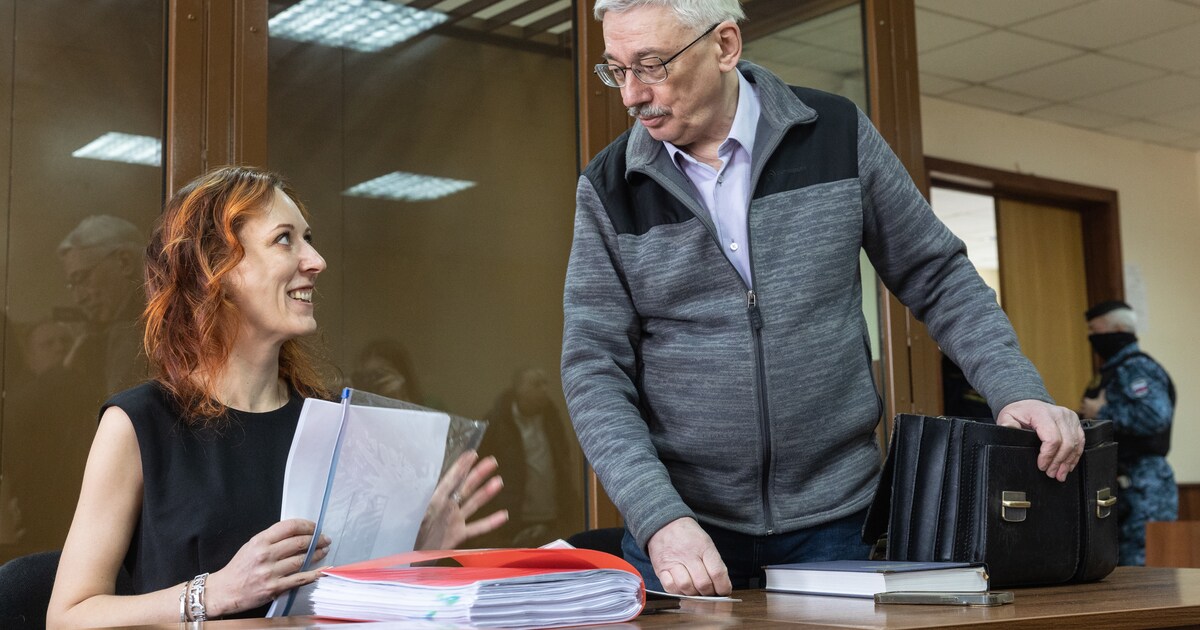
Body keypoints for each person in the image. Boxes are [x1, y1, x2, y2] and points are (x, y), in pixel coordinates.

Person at [561, 0, 1084, 596]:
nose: (631, 94)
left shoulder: (836, 132)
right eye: (616, 69)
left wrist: (1015, 388)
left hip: (840, 521)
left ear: (725, 45)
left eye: (650, 65)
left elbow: (937, 274)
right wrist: (658, 517)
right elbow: (593, 369)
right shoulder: (607, 188)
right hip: (684, 531)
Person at [47, 167, 508, 627]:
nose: (316, 260)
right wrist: (214, 592)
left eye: (307, 238)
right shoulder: (139, 422)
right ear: (215, 269)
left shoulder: (335, 424)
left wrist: (412, 549)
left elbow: (349, 607)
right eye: (285, 239)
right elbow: (68, 616)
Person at [1079, 300, 1176, 566]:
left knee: (1147, 571)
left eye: (1094, 329)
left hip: (1145, 483)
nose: (1091, 337)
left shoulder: (1136, 367)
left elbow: (1155, 416)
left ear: (1118, 329)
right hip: (1119, 479)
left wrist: (1102, 411)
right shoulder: (1111, 370)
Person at [477, 367, 580, 547]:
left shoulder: (552, 420)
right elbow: (482, 468)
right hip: (513, 519)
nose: (544, 389)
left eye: (545, 383)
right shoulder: (496, 422)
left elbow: (563, 461)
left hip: (552, 516)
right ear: (519, 388)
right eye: (536, 384)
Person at [57, 214, 148, 399]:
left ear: (125, 262)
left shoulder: (139, 331)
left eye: (81, 278)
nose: (78, 299)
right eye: (72, 285)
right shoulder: (102, 335)